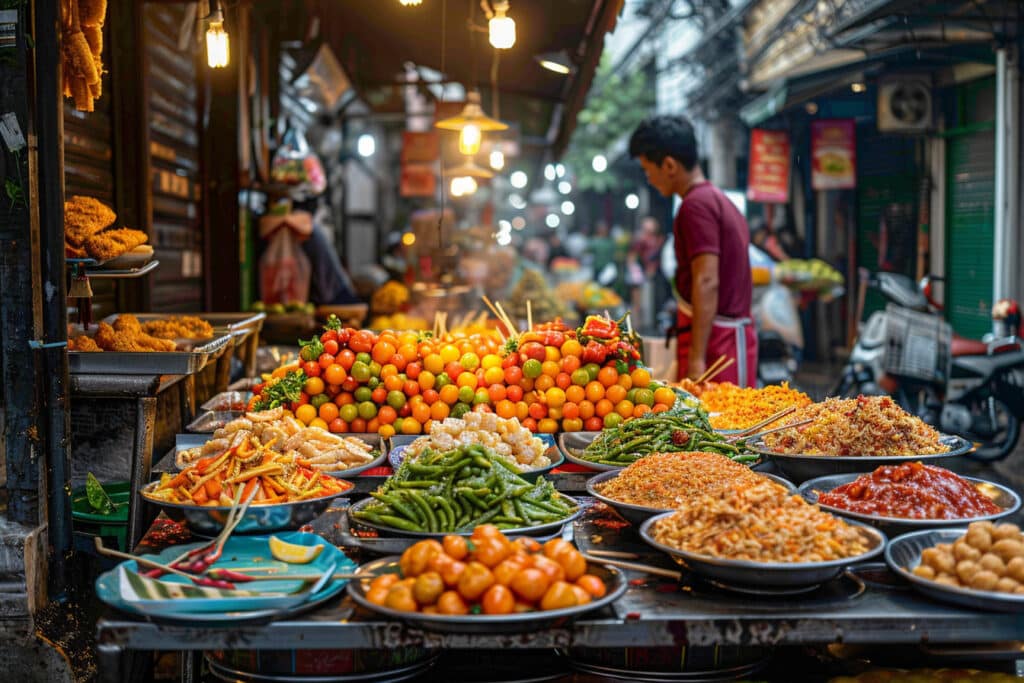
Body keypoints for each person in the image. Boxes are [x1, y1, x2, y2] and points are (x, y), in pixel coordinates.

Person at [629, 115, 757, 386]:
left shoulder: (695, 206)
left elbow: (707, 280)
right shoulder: (717, 200)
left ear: (669, 165)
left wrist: (697, 359)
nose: (649, 179)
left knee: (721, 424)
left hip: (716, 347)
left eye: (647, 169)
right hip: (724, 339)